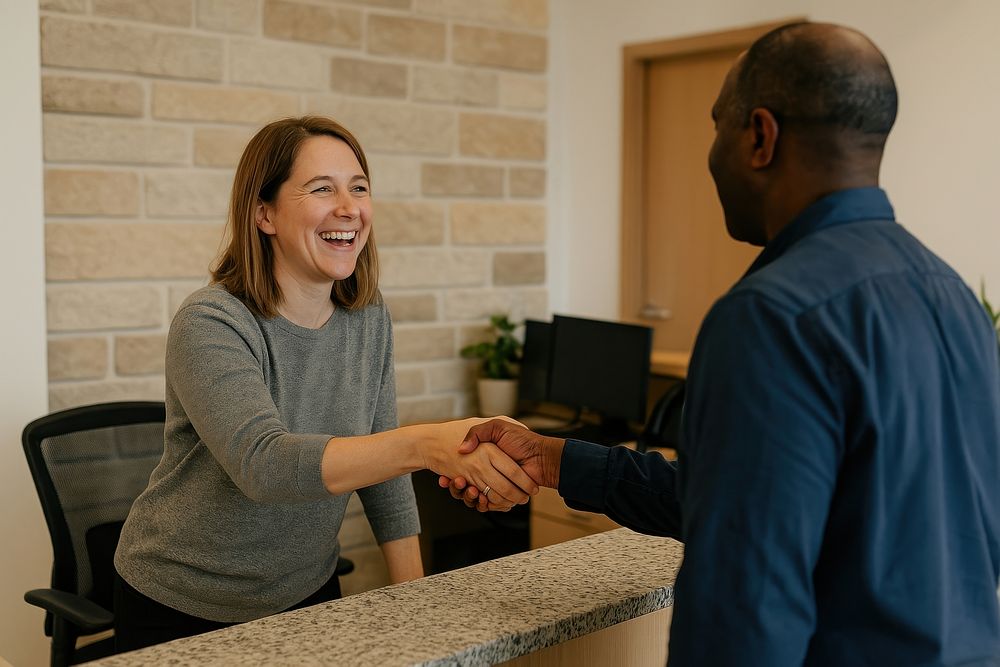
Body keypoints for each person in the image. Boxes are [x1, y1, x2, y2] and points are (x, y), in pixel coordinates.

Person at [445, 22, 1000, 666]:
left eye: (717, 127)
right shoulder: (955, 298)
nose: (710, 156)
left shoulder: (770, 317)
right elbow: (750, 495)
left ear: (760, 137)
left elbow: (746, 606)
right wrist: (553, 460)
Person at [113, 116, 537, 651]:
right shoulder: (212, 322)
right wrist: (427, 444)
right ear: (263, 213)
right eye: (322, 189)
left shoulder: (367, 316)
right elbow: (264, 466)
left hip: (306, 590)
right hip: (183, 604)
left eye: (359, 188)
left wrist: (415, 602)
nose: (349, 207)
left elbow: (385, 465)